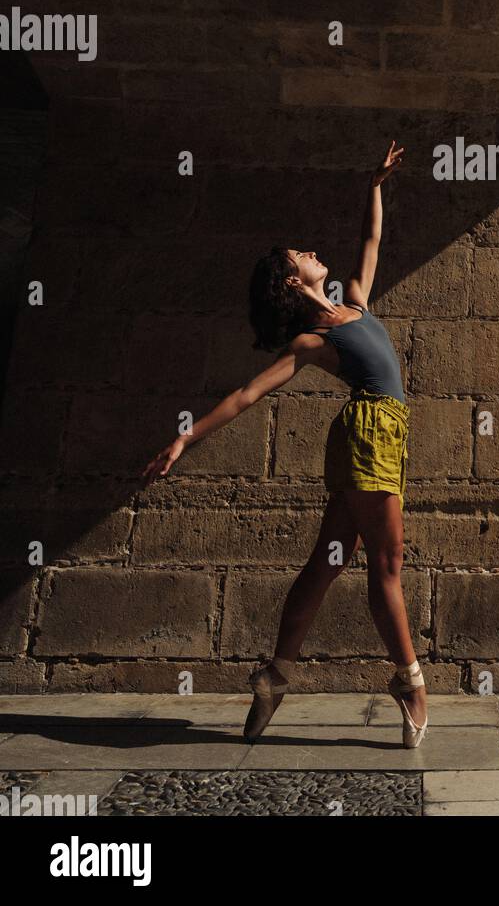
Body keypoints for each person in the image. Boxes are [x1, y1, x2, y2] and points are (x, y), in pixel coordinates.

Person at [141, 140, 428, 749]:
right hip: (369, 436)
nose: (312, 251)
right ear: (293, 282)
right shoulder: (311, 342)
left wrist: (374, 185)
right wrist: (184, 438)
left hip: (376, 438)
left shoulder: (354, 302)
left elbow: (372, 240)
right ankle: (411, 683)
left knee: (328, 563)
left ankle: (275, 676)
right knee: (387, 565)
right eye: (301, 255)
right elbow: (247, 394)